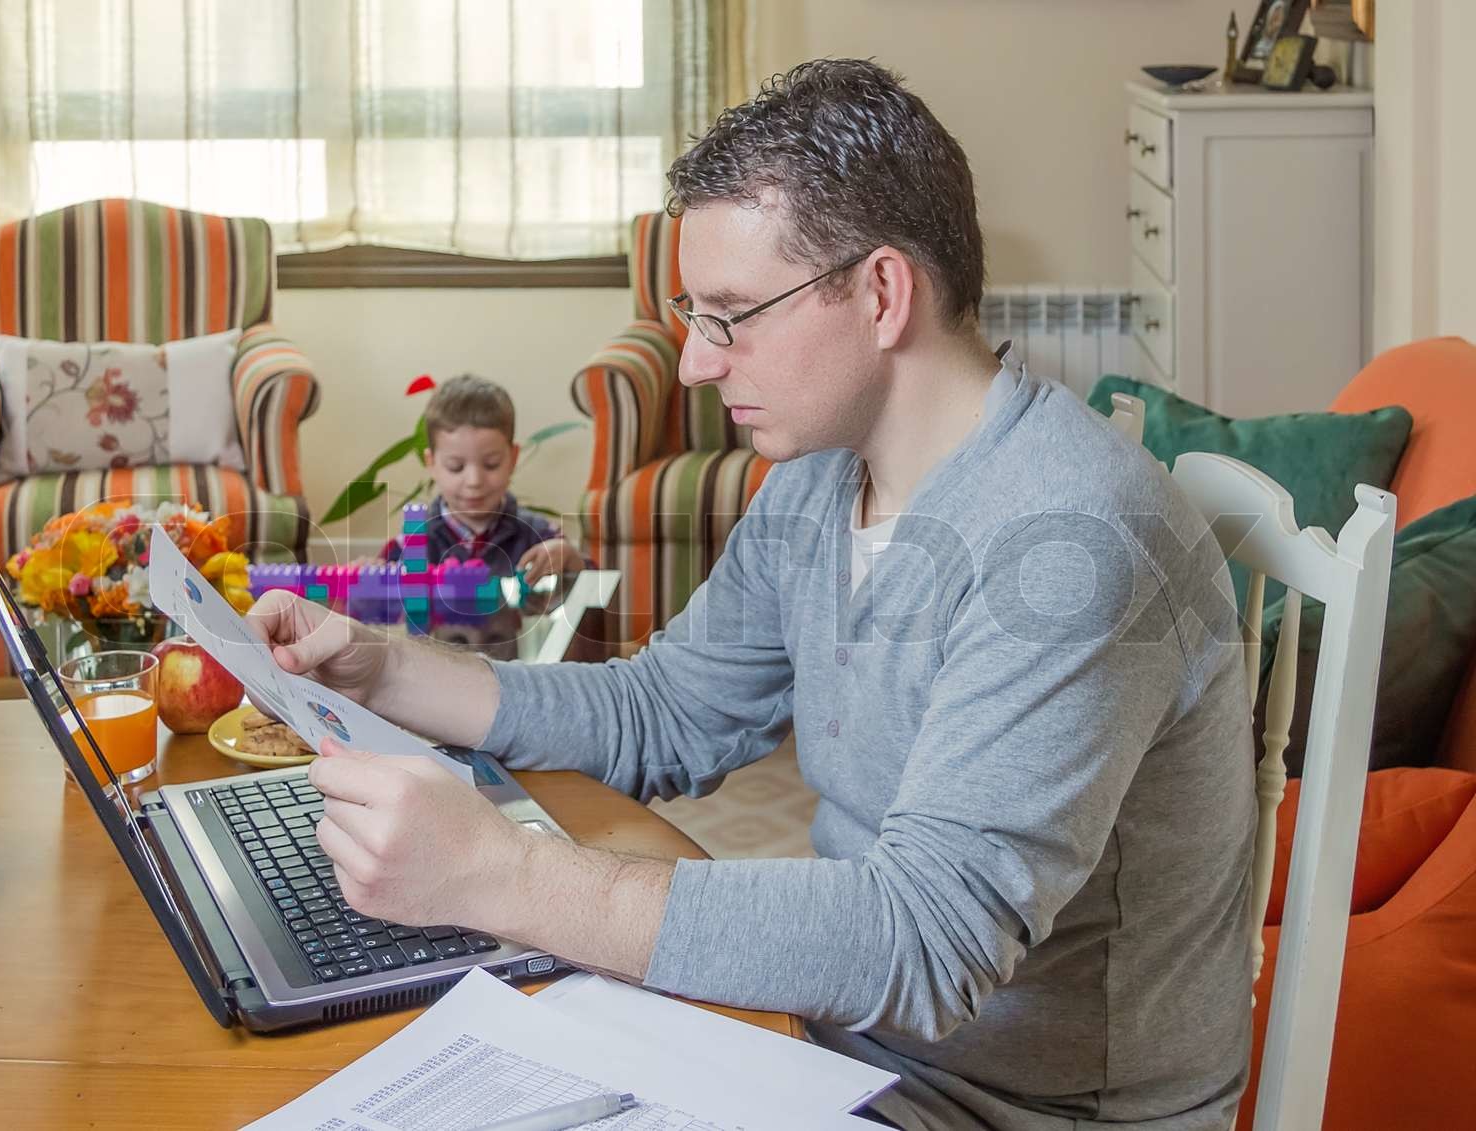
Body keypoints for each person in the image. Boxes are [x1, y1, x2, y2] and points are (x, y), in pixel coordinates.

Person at [251, 58, 1256, 1130]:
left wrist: (504, 877)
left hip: (1014, 1103)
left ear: (880, 294)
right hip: (835, 1042)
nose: (693, 364)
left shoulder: (1072, 543)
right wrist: (388, 666)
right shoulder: (825, 476)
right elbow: (666, 710)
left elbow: (925, 943)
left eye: (730, 314)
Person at [377, 374, 586, 583]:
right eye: (456, 467)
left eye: (491, 464)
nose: (474, 481)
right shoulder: (411, 541)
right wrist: (367, 580)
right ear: (431, 463)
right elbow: (379, 605)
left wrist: (571, 559)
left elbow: (593, 589)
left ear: (512, 459)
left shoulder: (539, 534)